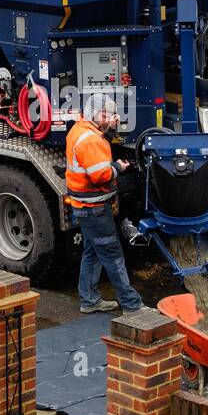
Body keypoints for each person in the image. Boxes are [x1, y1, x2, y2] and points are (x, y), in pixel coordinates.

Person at [66, 94, 149, 314]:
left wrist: (110, 130)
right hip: (94, 210)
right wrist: (118, 168)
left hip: (83, 207)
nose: (112, 118)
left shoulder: (79, 130)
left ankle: (89, 300)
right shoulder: (92, 140)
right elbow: (100, 175)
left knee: (92, 252)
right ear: (96, 114)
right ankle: (132, 306)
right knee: (113, 256)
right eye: (108, 114)